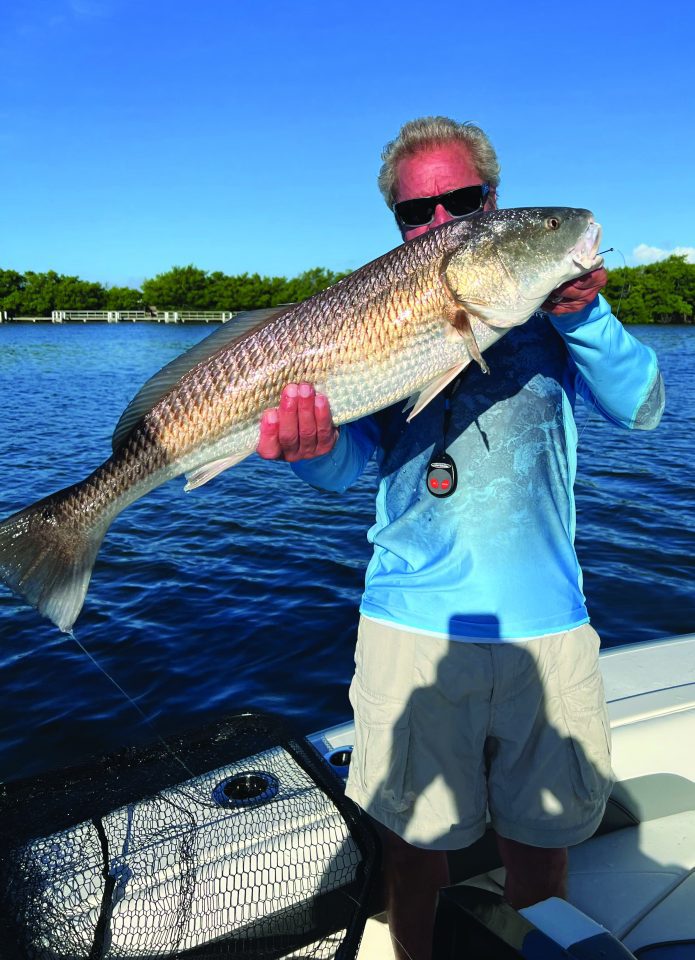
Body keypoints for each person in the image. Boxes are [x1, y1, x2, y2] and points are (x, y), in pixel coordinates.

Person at [257, 117, 665, 960]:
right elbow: (350, 468)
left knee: (540, 852)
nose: (440, 224)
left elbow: (642, 406)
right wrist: (309, 449)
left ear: (493, 203)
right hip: (409, 623)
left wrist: (587, 319)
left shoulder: (554, 313)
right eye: (417, 213)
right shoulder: (372, 315)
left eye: (462, 200)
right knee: (412, 856)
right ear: (400, 226)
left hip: (544, 625)